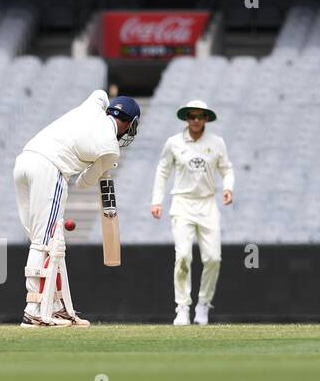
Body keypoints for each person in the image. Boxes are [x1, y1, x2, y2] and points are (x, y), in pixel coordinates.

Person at [13, 90, 139, 327]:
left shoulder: (95, 104)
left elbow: (100, 93)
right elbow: (83, 182)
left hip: (24, 160)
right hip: (50, 168)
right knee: (44, 241)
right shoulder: (111, 148)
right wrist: (102, 164)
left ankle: (57, 306)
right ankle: (33, 309)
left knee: (45, 239)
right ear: (130, 124)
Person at [150, 99, 234, 326]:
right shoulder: (174, 143)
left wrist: (228, 188)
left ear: (206, 118)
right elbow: (163, 171)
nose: (196, 121)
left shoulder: (217, 143)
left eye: (200, 117)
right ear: (186, 118)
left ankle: (203, 304)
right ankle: (182, 307)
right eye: (192, 116)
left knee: (213, 258)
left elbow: (227, 169)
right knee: (184, 256)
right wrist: (157, 201)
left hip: (207, 204)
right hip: (182, 203)